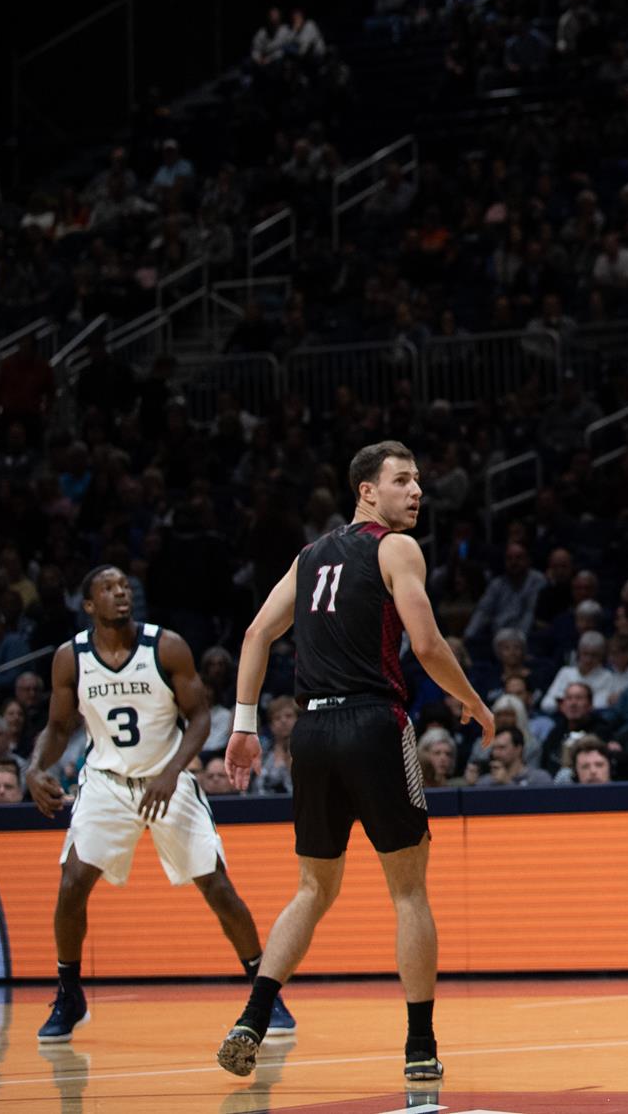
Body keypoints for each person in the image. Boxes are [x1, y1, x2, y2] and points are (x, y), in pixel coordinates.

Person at [217, 441, 495, 1082]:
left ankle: (253, 1019)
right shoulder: (396, 547)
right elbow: (424, 643)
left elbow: (257, 634)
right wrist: (474, 703)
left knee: (313, 888)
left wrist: (244, 726)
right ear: (366, 491)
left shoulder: (309, 557)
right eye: (402, 481)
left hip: (309, 732)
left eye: (419, 481)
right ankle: (420, 1045)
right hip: (373, 723)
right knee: (408, 891)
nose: (417, 491)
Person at [24, 565, 290, 1042]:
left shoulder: (164, 646)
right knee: (72, 883)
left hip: (168, 778)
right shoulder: (71, 658)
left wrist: (172, 771)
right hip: (106, 782)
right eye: (108, 589)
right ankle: (69, 993)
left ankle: (264, 995)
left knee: (217, 887)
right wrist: (34, 768)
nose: (120, 593)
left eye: (125, 586)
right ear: (89, 605)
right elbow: (59, 728)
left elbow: (201, 718)